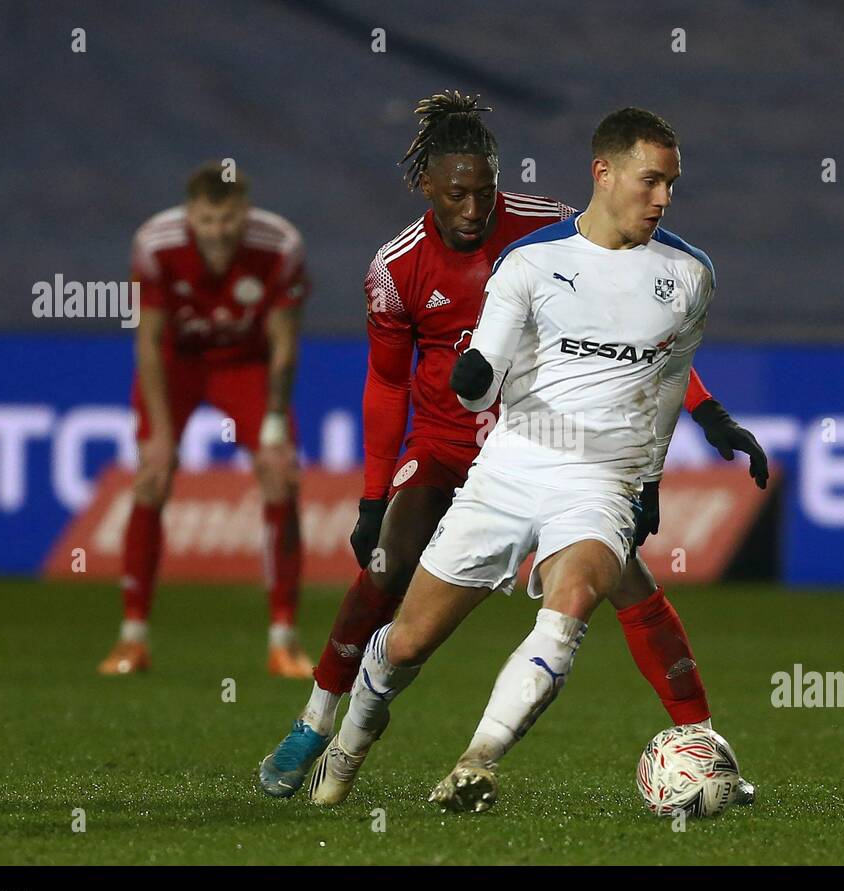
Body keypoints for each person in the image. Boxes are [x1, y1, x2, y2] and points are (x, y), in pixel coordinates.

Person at [258, 93, 767, 800]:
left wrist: (700, 425)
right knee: (394, 588)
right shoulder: (406, 266)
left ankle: (481, 760)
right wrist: (375, 493)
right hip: (471, 453)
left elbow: (654, 360)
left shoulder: (614, 248)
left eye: (485, 191)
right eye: (458, 194)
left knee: (589, 595)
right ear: (427, 187)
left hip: (595, 472)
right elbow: (392, 382)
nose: (473, 209)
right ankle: (325, 731)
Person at [98, 163, 313, 678]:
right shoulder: (154, 243)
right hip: (179, 363)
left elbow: (284, 344)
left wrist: (276, 423)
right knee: (152, 475)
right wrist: (162, 435)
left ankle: (283, 640)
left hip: (248, 364)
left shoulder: (280, 245)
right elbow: (148, 341)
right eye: (209, 219)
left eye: (230, 218)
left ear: (246, 211)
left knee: (279, 474)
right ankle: (132, 640)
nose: (220, 230)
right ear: (191, 214)